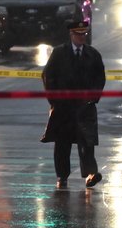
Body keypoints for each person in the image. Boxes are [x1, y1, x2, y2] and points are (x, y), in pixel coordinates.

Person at [41, 21, 106, 190]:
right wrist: (54, 100)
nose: (82, 37)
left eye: (84, 34)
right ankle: (62, 176)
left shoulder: (93, 54)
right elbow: (48, 76)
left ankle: (91, 174)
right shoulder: (59, 53)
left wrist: (93, 98)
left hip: (85, 107)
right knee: (62, 143)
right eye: (79, 34)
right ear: (71, 35)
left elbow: (100, 78)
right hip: (63, 107)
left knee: (87, 143)